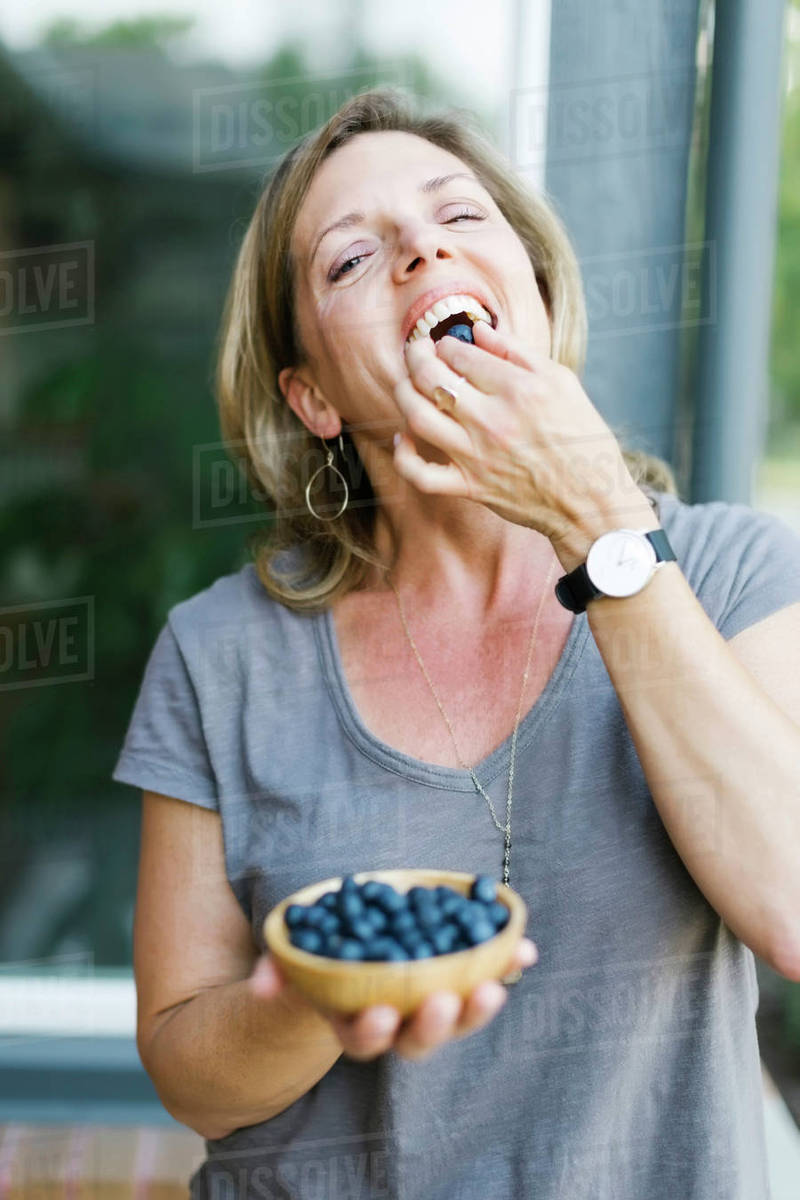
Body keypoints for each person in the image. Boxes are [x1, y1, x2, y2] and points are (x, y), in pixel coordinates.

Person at [112, 86, 800, 1199]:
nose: (420, 248)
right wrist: (308, 998)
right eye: (348, 259)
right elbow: (190, 1076)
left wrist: (596, 524)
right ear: (313, 396)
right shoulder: (220, 656)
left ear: (527, 287)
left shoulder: (728, 575)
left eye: (457, 217)